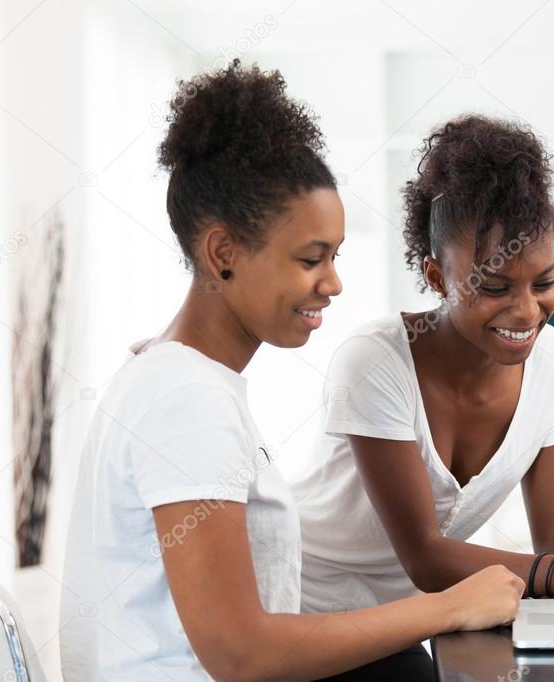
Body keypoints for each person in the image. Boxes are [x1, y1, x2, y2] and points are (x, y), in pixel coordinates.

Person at [58, 63, 523, 682]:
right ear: (223, 253)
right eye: (310, 259)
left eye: (335, 256)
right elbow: (241, 653)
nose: (332, 283)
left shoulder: (167, 372)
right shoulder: (186, 400)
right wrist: (445, 607)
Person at [293, 115, 554, 618]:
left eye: (544, 283)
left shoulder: (552, 357)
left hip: (407, 619)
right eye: (494, 288)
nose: (526, 312)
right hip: (303, 610)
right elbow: (425, 557)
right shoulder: (375, 362)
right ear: (437, 275)